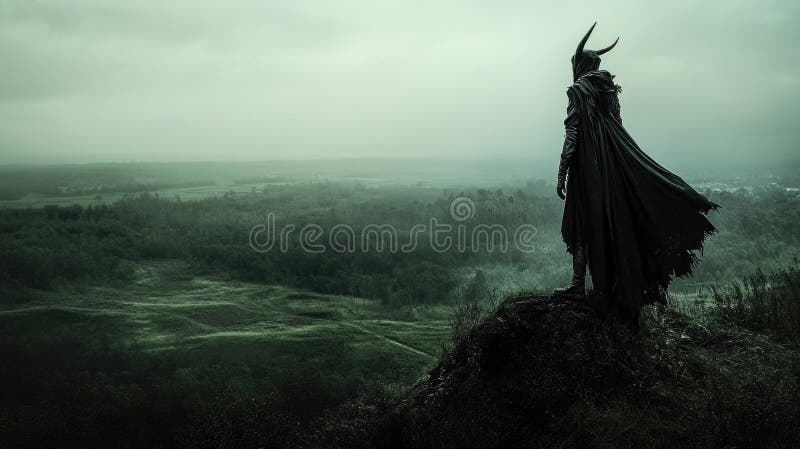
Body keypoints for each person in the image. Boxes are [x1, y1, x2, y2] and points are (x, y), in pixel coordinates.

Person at [553, 22, 718, 324]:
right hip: (611, 165)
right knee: (609, 220)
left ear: (580, 65)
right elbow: (617, 124)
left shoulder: (578, 90)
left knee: (581, 219)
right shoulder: (607, 90)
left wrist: (562, 172)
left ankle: (579, 287)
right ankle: (592, 287)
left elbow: (573, 134)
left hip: (588, 168)